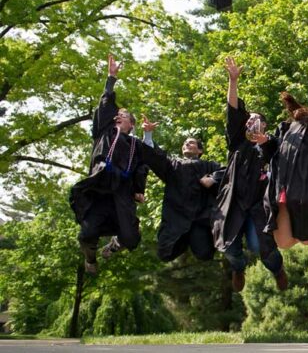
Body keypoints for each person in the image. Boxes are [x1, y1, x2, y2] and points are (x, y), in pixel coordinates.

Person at [211, 57, 287, 292]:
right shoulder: (237, 141)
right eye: (249, 118)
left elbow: (278, 154)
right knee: (228, 246)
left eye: (257, 118)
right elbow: (233, 110)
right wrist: (233, 81)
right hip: (234, 201)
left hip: (259, 205)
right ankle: (238, 268)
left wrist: (266, 142)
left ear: (265, 125)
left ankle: (277, 269)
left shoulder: (273, 144)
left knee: (259, 246)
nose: (251, 119)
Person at [69, 54, 147, 275]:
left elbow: (141, 168)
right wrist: (111, 79)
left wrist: (139, 189)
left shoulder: (134, 145)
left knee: (132, 239)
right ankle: (90, 259)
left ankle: (114, 245)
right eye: (117, 114)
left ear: (131, 124)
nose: (118, 116)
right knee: (86, 234)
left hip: (122, 192)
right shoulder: (104, 132)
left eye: (124, 115)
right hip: (99, 189)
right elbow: (105, 105)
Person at [140, 117, 222, 262]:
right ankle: (184, 240)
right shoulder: (173, 165)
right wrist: (148, 134)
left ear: (200, 150)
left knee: (204, 254)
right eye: (185, 143)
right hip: (177, 218)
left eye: (191, 142)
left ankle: (193, 238)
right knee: (165, 254)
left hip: (200, 218)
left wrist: (213, 178)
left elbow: (228, 172)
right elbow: (156, 158)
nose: (186, 144)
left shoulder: (209, 166)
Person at [264, 92, 308, 249]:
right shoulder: (286, 129)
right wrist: (265, 141)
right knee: (283, 243)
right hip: (281, 189)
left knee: (306, 239)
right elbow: (272, 153)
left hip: (302, 191)